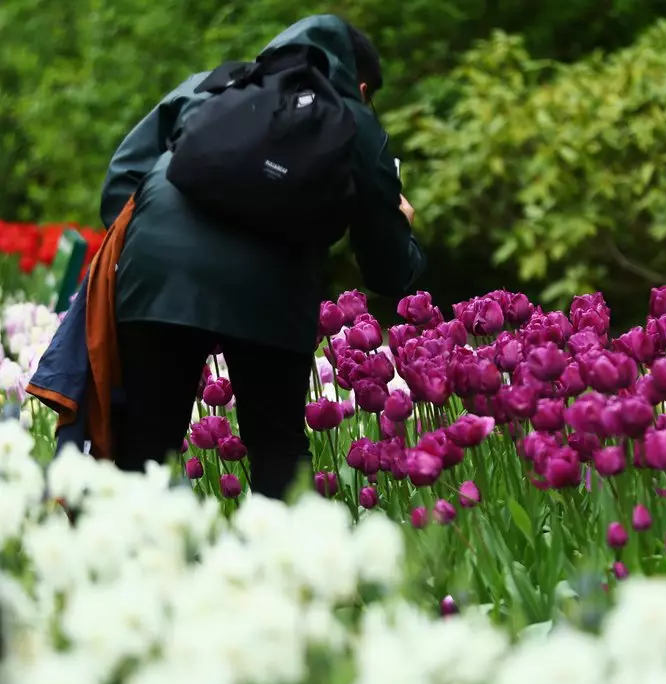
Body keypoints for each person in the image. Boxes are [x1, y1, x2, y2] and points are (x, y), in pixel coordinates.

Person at [100, 15, 425, 498]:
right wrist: (402, 225)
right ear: (360, 85)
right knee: (277, 448)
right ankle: (284, 571)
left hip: (157, 275)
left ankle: (129, 568)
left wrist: (166, 272)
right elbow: (386, 267)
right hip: (271, 290)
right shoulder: (353, 119)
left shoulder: (215, 85)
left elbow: (123, 178)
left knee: (146, 450)